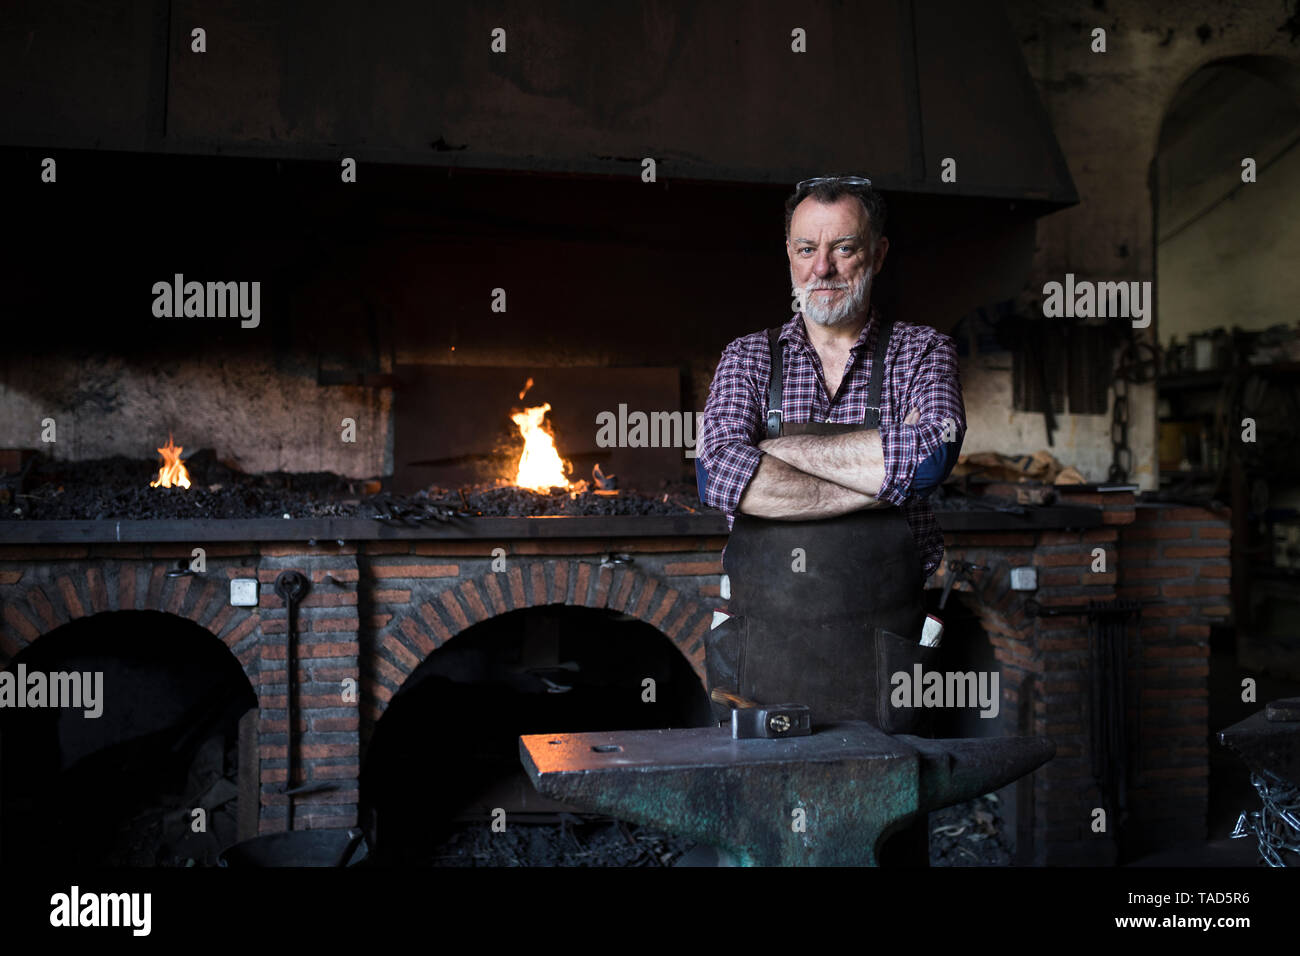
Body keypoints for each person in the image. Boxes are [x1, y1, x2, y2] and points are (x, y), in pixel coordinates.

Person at [696, 175, 967, 864]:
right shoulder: (747, 357)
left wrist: (776, 455)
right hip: (763, 653)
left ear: (877, 254)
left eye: (843, 248)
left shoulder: (923, 351)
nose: (822, 268)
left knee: (885, 834)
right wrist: (878, 475)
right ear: (788, 255)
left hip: (887, 655)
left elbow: (929, 458)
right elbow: (718, 474)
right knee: (761, 839)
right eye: (805, 249)